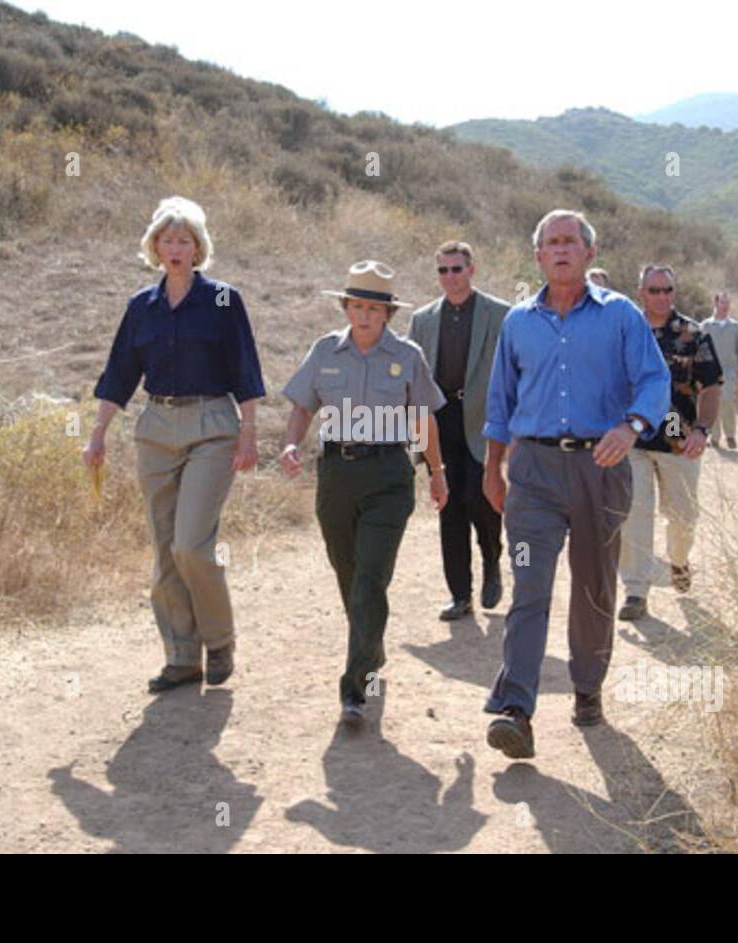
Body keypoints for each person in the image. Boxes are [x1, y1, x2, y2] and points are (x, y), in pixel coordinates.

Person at [481, 210, 670, 757]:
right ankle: (515, 707)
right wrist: (493, 469)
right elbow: (500, 404)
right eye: (551, 242)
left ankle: (587, 688)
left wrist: (632, 425)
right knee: (528, 587)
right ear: (538, 256)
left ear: (589, 254)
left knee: (593, 588)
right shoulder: (517, 322)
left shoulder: (621, 317)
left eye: (571, 241)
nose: (561, 249)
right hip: (534, 471)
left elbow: (654, 378)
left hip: (602, 469)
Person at [87, 196, 266, 693]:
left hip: (212, 424)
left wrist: (249, 432)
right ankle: (181, 656)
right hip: (156, 427)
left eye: (184, 240)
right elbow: (119, 374)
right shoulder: (140, 306)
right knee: (165, 550)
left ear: (198, 248)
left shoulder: (225, 299)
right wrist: (98, 432)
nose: (175, 248)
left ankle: (219, 640)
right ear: (155, 247)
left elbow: (246, 368)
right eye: (167, 240)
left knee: (192, 544)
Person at [280, 260, 449, 728]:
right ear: (346, 307)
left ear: (387, 313)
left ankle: (355, 688)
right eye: (356, 305)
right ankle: (370, 649)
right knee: (350, 576)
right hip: (336, 474)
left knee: (371, 577)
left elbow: (424, 419)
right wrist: (292, 443)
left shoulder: (408, 354)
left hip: (389, 476)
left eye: (374, 308)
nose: (364, 315)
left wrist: (437, 472)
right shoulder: (324, 350)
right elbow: (302, 406)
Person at [409, 241, 510, 621]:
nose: (449, 277)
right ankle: (459, 594)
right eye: (442, 270)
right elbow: (415, 383)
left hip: (483, 419)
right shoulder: (422, 319)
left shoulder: (500, 314)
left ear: (472, 269)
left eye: (456, 268)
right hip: (440, 418)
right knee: (447, 505)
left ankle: (492, 562)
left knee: (480, 499)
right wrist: (415, 441)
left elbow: (513, 373)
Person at [617, 265, 723, 622]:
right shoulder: (624, 331)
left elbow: (711, 386)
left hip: (679, 437)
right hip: (632, 436)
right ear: (640, 292)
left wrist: (702, 429)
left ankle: (678, 561)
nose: (662, 297)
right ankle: (635, 589)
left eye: (667, 290)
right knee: (634, 513)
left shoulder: (693, 334)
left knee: (682, 516)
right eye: (654, 290)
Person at [700, 290, 738, 449]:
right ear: (716, 303)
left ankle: (730, 435)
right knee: (711, 404)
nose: (725, 306)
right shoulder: (705, 326)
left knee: (727, 402)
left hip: (729, 372)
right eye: (722, 302)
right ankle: (714, 438)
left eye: (728, 303)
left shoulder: (735, 327)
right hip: (709, 373)